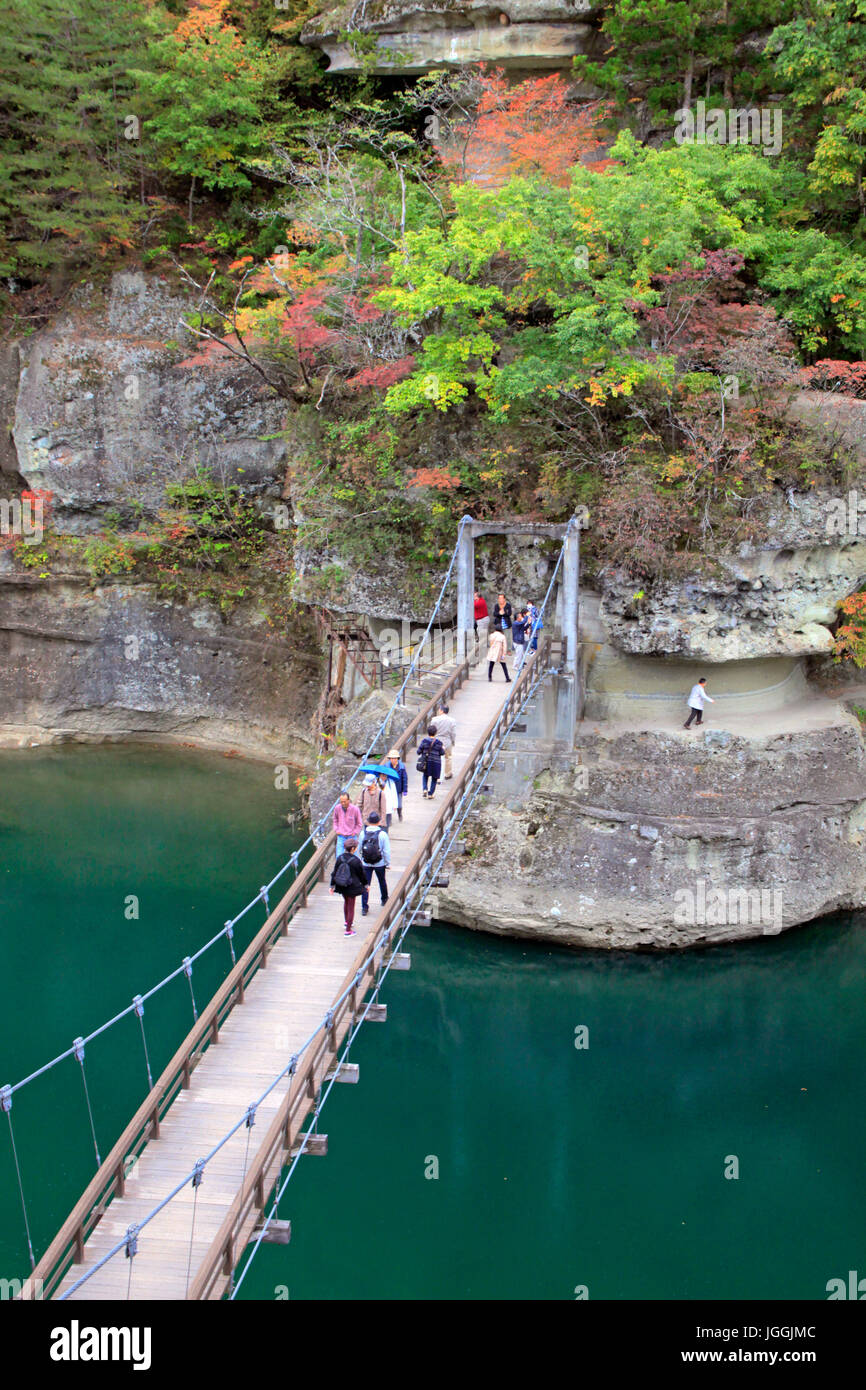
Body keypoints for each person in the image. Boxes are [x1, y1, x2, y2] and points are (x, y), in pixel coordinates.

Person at [329, 836, 366, 936]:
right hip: (352, 886)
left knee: (346, 903)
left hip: (341, 885)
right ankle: (348, 931)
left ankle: (346, 923)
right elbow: (361, 875)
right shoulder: (356, 861)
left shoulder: (340, 858)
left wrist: (331, 886)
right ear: (353, 849)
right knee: (351, 907)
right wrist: (366, 884)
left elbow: (334, 872)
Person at [359, 812, 390, 916]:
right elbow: (386, 851)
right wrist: (387, 863)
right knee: (382, 881)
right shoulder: (382, 834)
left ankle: (364, 907)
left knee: (366, 884)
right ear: (378, 821)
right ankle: (384, 899)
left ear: (368, 821)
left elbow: (359, 848)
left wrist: (361, 858)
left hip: (366, 863)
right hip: (379, 862)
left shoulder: (363, 833)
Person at [333, 791, 363, 861]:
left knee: (355, 856)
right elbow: (335, 820)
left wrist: (355, 832)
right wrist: (336, 829)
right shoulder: (337, 808)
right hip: (341, 836)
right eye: (341, 801)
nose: (343, 803)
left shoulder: (355, 809)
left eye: (344, 801)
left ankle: (356, 870)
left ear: (348, 800)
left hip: (351, 836)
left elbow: (359, 823)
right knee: (339, 856)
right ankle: (340, 870)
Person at [417, 723, 444, 799]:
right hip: (436, 763)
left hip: (426, 762)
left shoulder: (424, 741)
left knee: (425, 776)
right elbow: (442, 753)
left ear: (428, 732)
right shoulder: (439, 743)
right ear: (435, 733)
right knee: (434, 778)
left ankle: (425, 789)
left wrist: (423, 752)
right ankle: (430, 794)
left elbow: (418, 751)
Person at [386, 748, 408, 820]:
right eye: (391, 758)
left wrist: (405, 789)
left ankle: (400, 814)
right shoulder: (386, 766)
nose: (393, 760)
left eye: (395, 758)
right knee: (389, 803)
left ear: (397, 758)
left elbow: (404, 778)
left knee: (399, 804)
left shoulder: (401, 767)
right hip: (390, 787)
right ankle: (390, 818)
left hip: (398, 787)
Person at [435, 704, 456, 780]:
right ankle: (447, 773)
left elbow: (432, 730)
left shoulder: (435, 719)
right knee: (448, 757)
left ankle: (436, 773)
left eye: (439, 709)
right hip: (447, 741)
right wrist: (453, 741)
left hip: (437, 740)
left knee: (436, 757)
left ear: (441, 710)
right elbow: (453, 733)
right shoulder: (452, 720)